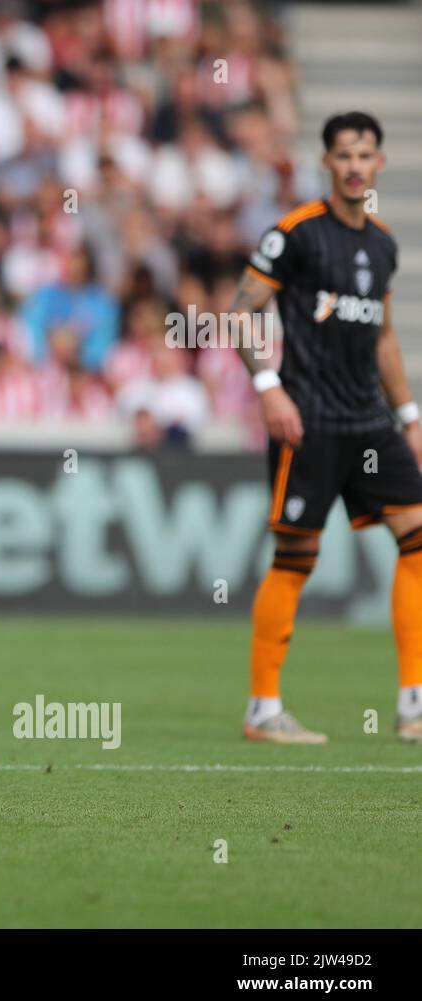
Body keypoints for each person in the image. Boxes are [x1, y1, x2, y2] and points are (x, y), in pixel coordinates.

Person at [227, 112, 422, 743]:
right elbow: (239, 313)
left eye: (365, 154)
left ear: (380, 164)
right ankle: (262, 709)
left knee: (419, 538)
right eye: (343, 155)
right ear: (326, 162)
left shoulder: (384, 243)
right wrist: (267, 387)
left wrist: (410, 416)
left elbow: (384, 337)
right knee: (296, 558)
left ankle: (414, 705)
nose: (355, 166)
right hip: (307, 423)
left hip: (370, 422)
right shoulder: (296, 235)